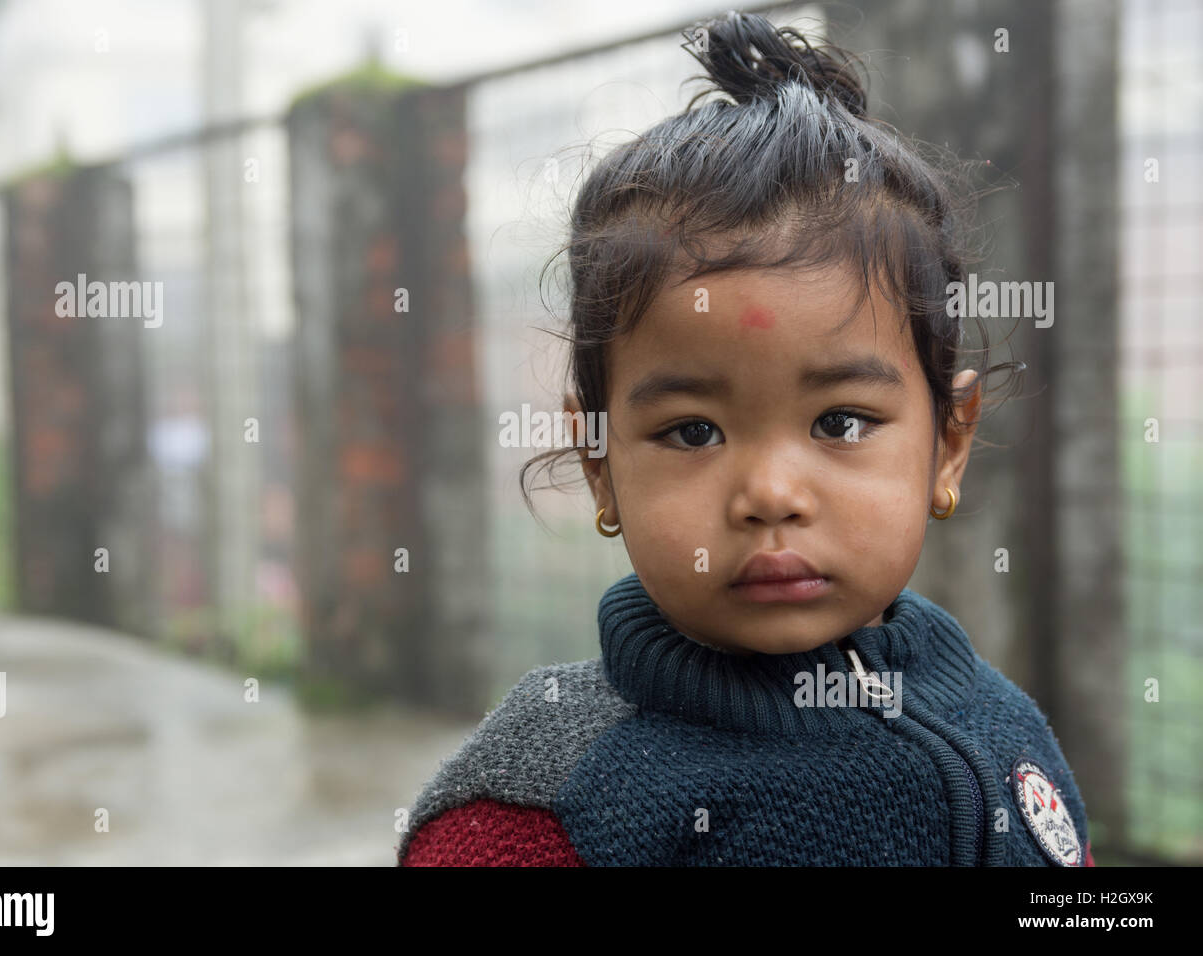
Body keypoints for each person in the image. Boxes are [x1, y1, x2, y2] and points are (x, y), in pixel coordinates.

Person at [397, 11, 1094, 866]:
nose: (769, 494)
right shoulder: (539, 810)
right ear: (601, 465)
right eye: (693, 431)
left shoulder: (1003, 725)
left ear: (948, 443)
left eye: (840, 422)